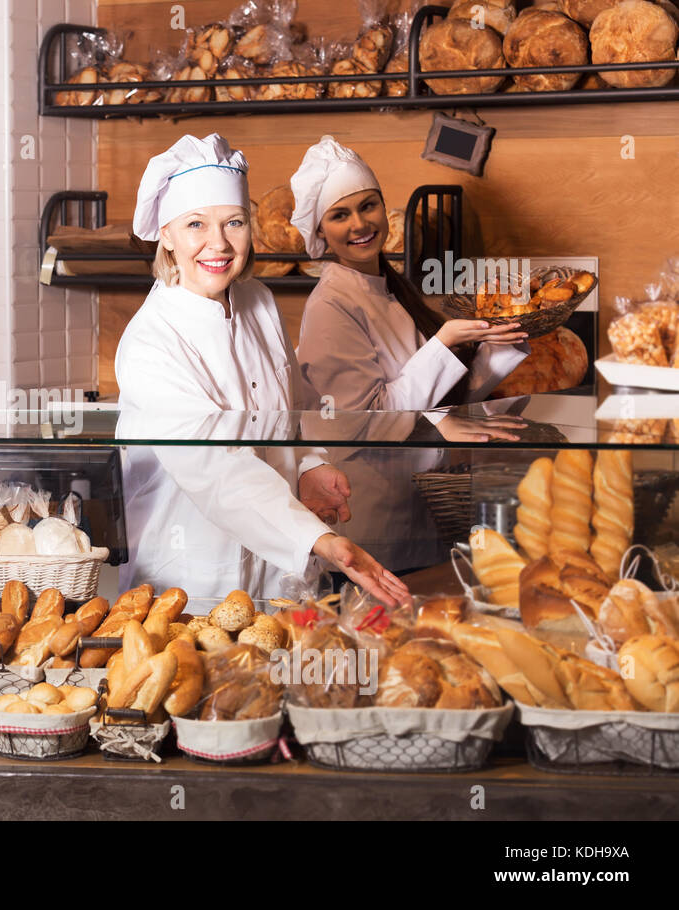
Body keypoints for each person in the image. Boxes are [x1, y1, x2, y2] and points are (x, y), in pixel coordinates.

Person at [114, 133, 409, 608]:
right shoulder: (152, 343)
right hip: (190, 582)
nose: (219, 243)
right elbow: (216, 470)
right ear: (166, 235)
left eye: (233, 222)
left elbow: (291, 405)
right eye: (196, 224)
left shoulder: (258, 301)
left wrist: (311, 464)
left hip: (279, 578)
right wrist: (320, 539)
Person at [290, 136, 528, 569]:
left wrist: (501, 346)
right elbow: (359, 420)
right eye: (340, 215)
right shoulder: (331, 305)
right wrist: (444, 344)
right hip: (372, 527)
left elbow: (434, 393)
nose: (360, 223)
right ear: (320, 231)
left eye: (369, 206)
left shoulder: (391, 286)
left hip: (420, 514)